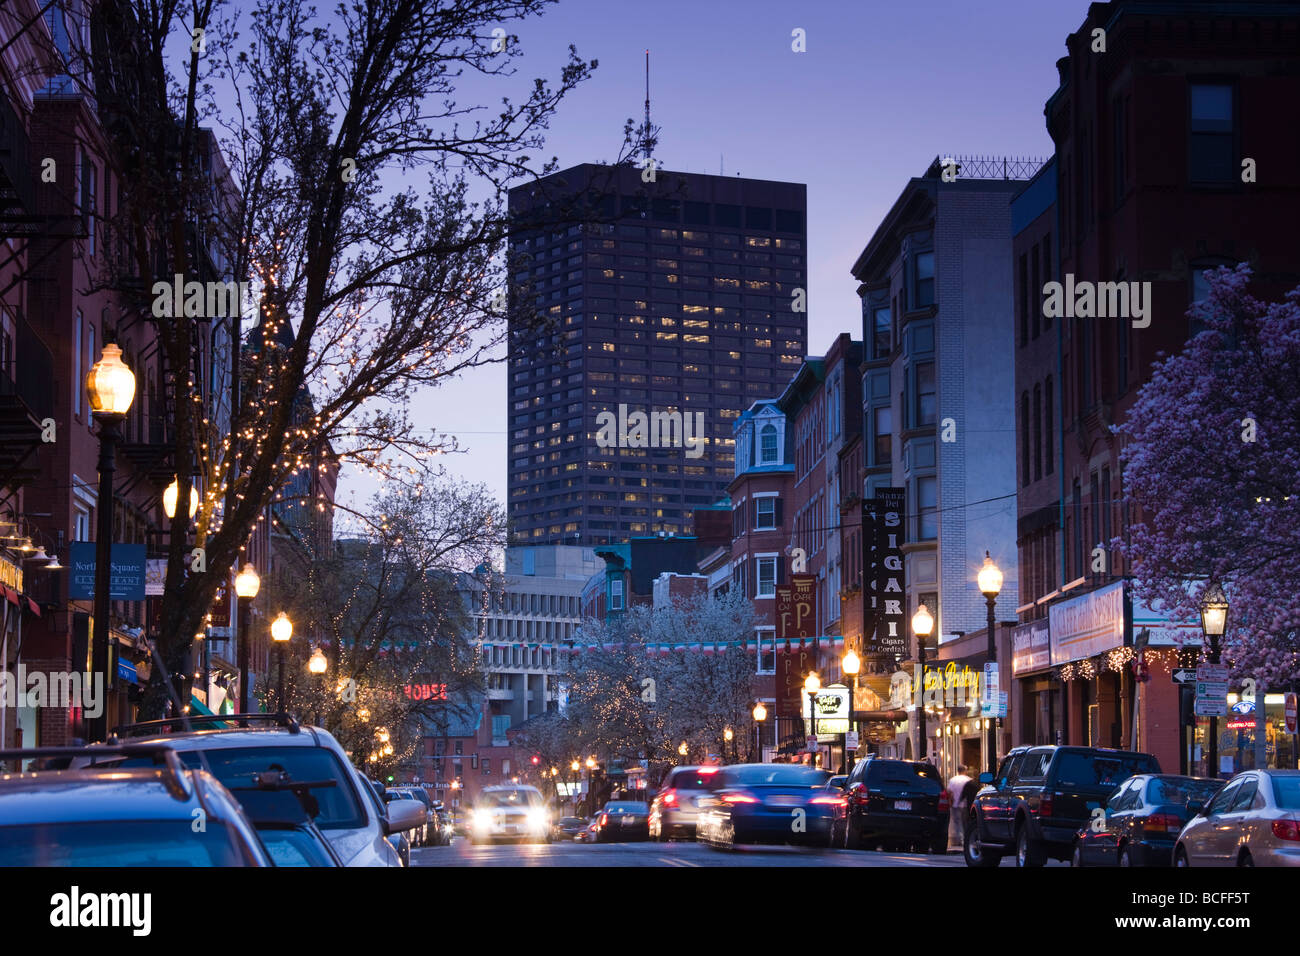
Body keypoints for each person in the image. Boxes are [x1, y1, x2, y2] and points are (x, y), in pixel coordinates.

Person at [947, 766, 972, 847]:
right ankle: (966, 839)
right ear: (965, 771)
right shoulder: (968, 780)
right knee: (965, 823)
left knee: (957, 823)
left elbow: (949, 793)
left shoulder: (953, 780)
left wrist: (950, 802)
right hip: (965, 805)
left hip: (955, 804)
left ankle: (959, 840)